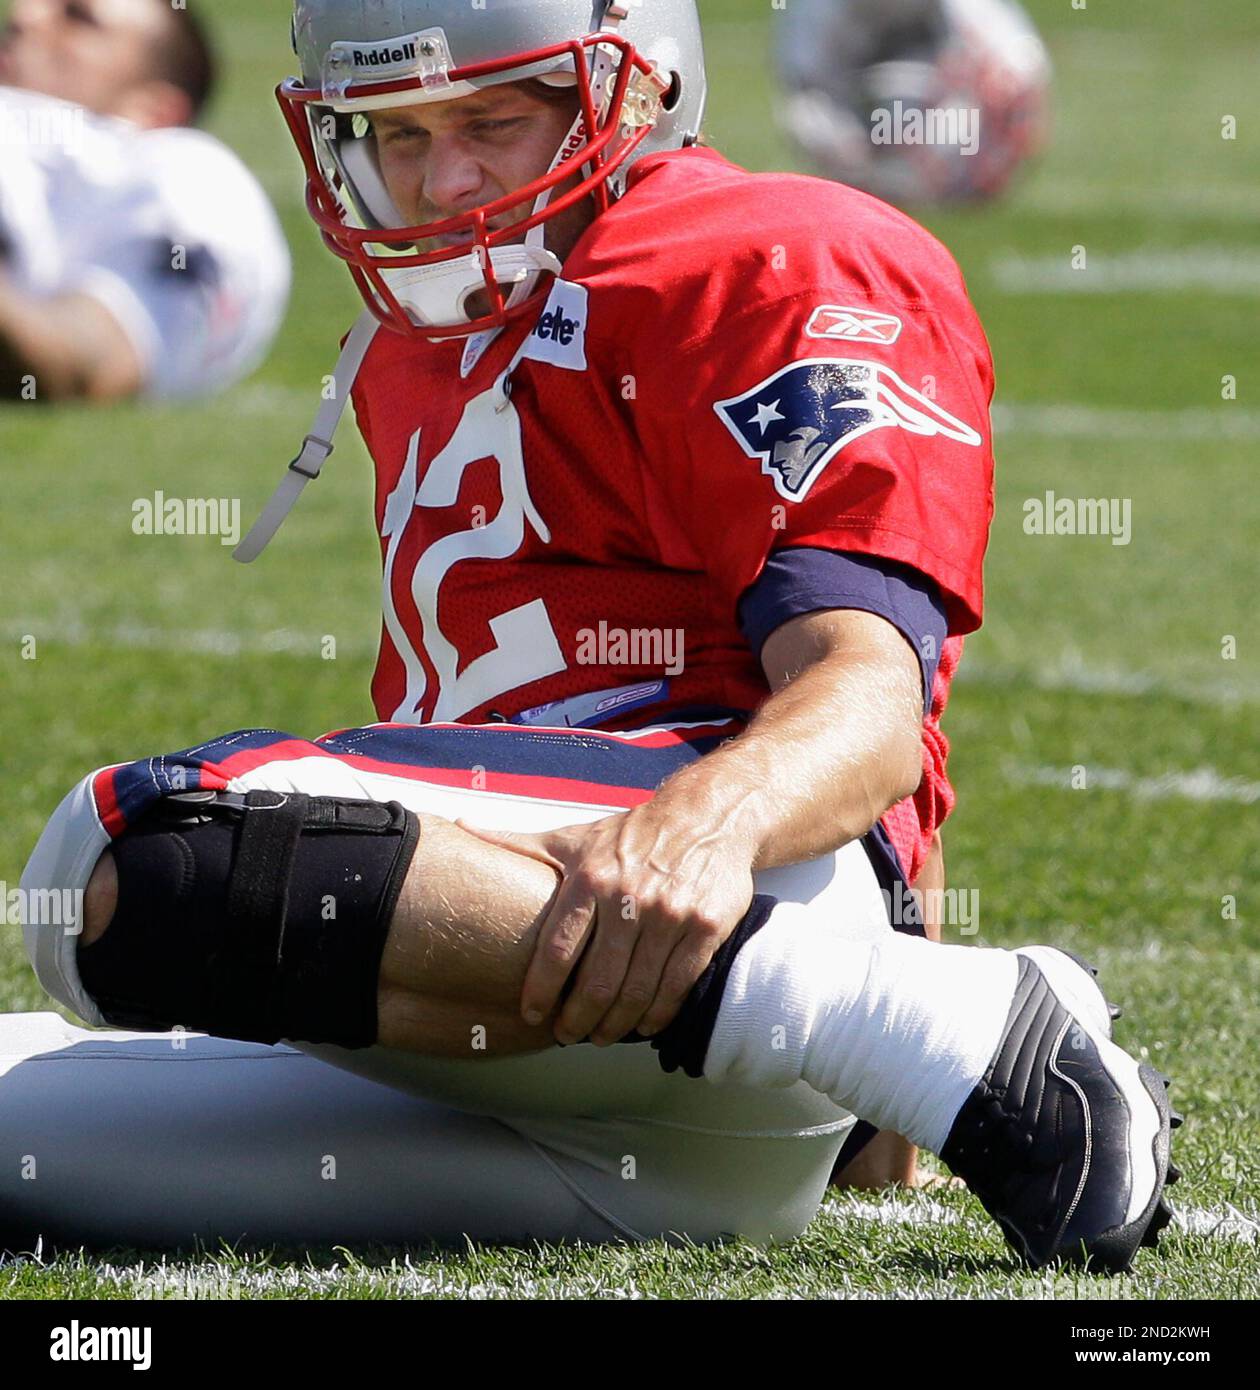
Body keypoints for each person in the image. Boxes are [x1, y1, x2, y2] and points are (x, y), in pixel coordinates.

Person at [6, 0, 1176, 1269]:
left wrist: (710, 833)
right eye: (397, 134)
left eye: (491, 122)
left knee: (139, 853)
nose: (442, 177)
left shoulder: (766, 252)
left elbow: (873, 699)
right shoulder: (424, 328)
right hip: (596, 1070)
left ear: (631, 87)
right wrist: (867, 1134)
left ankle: (926, 1032)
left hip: (717, 869)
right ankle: (906, 1030)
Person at [0, 0, 290, 401]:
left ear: (153, 107)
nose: (24, 16)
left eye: (80, 18)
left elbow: (86, 362)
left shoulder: (188, 180)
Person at [775, 0, 1051, 207]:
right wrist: (852, 153)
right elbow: (807, 89)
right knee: (813, 118)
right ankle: (883, 174)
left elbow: (1018, 60)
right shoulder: (818, 12)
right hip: (858, 100)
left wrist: (1008, 78)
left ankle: (930, 171)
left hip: (936, 89)